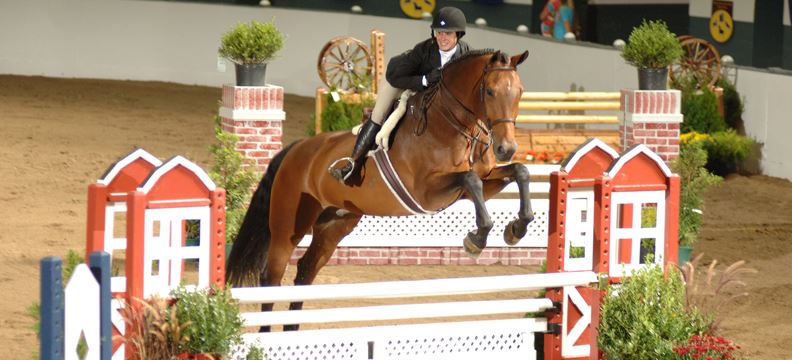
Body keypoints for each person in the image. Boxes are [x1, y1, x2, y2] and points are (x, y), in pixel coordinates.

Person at [329, 6, 471, 183]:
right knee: (378, 115)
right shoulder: (423, 50)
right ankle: (352, 165)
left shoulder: (465, 54)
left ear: (458, 35)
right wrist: (425, 80)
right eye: (439, 32)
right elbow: (396, 77)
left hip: (429, 91)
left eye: (448, 34)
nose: (442, 38)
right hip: (399, 80)